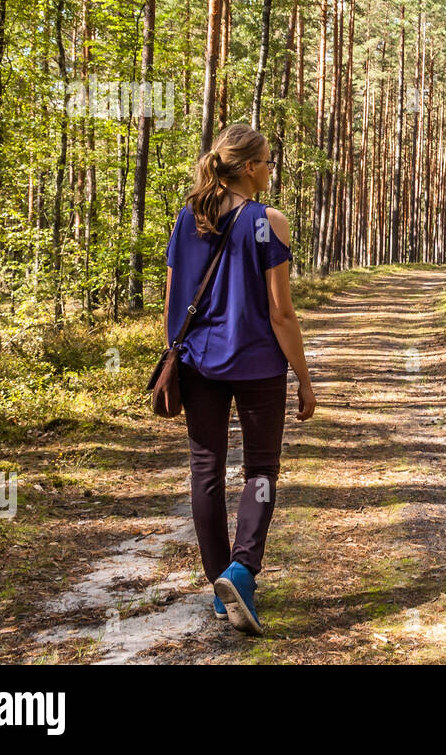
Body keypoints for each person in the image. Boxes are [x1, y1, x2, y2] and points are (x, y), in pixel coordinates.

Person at [163, 123, 315, 635]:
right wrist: (304, 377)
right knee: (262, 471)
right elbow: (281, 313)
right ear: (248, 168)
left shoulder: (187, 219)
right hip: (257, 364)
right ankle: (241, 569)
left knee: (204, 473)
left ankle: (220, 588)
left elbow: (171, 295)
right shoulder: (268, 222)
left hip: (197, 362)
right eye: (269, 162)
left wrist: (174, 352)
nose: (272, 169)